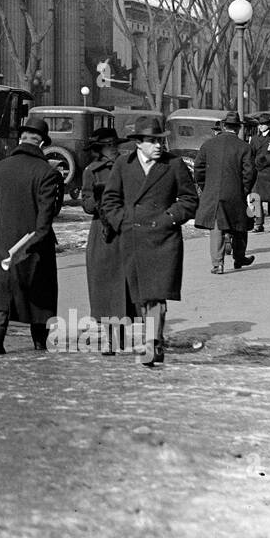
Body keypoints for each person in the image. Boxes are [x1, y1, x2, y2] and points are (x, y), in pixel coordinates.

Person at [101, 116, 199, 368]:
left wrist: (169, 218)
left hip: (163, 239)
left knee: (157, 294)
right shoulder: (123, 164)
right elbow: (110, 200)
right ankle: (153, 341)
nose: (158, 145)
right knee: (141, 297)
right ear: (138, 144)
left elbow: (189, 199)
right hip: (132, 237)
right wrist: (122, 221)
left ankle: (152, 343)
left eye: (160, 141)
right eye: (152, 141)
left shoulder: (174, 165)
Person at [0, 114, 63, 355]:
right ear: (41, 143)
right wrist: (35, 238)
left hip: (3, 239)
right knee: (41, 292)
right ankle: (40, 341)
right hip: (34, 243)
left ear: (21, 139)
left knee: (2, 290)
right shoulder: (47, 173)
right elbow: (47, 215)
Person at [80, 126, 128, 354]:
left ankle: (126, 337)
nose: (114, 150)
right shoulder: (92, 171)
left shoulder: (130, 166)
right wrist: (99, 200)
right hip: (103, 233)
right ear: (101, 149)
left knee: (127, 285)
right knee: (107, 287)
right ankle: (110, 339)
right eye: (110, 146)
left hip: (126, 229)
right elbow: (87, 204)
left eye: (115, 145)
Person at [193, 110, 256, 274]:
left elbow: (198, 169)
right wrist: (244, 190)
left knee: (216, 227)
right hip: (235, 193)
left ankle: (218, 264)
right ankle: (239, 258)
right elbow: (249, 173)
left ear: (223, 126)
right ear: (238, 128)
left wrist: (206, 187)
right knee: (240, 225)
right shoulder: (244, 147)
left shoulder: (208, 145)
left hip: (213, 194)